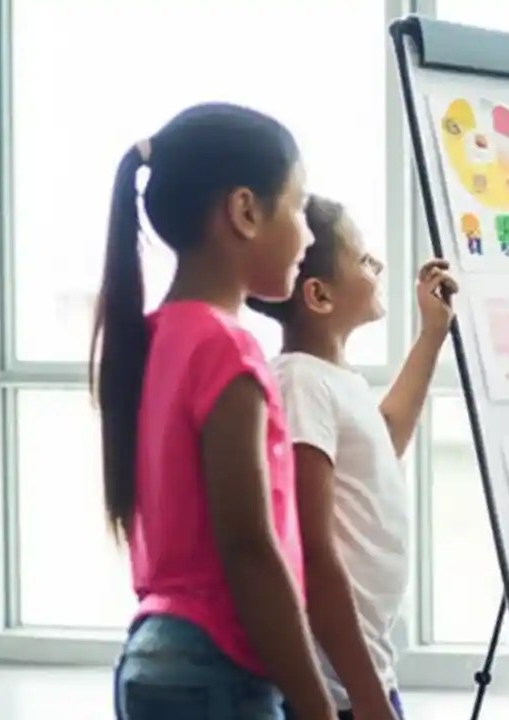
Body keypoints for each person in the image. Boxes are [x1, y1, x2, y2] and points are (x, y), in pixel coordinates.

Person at [93, 103, 334, 719]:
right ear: (245, 211)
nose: (308, 234)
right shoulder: (227, 346)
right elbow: (249, 547)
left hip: (150, 657)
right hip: (216, 670)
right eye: (299, 205)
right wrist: (316, 704)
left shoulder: (151, 337)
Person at [247, 196, 456, 720]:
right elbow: (313, 555)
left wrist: (432, 333)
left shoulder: (333, 381)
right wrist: (366, 698)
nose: (378, 265)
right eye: (363, 259)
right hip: (338, 690)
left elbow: (386, 437)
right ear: (318, 294)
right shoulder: (300, 383)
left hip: (363, 678)